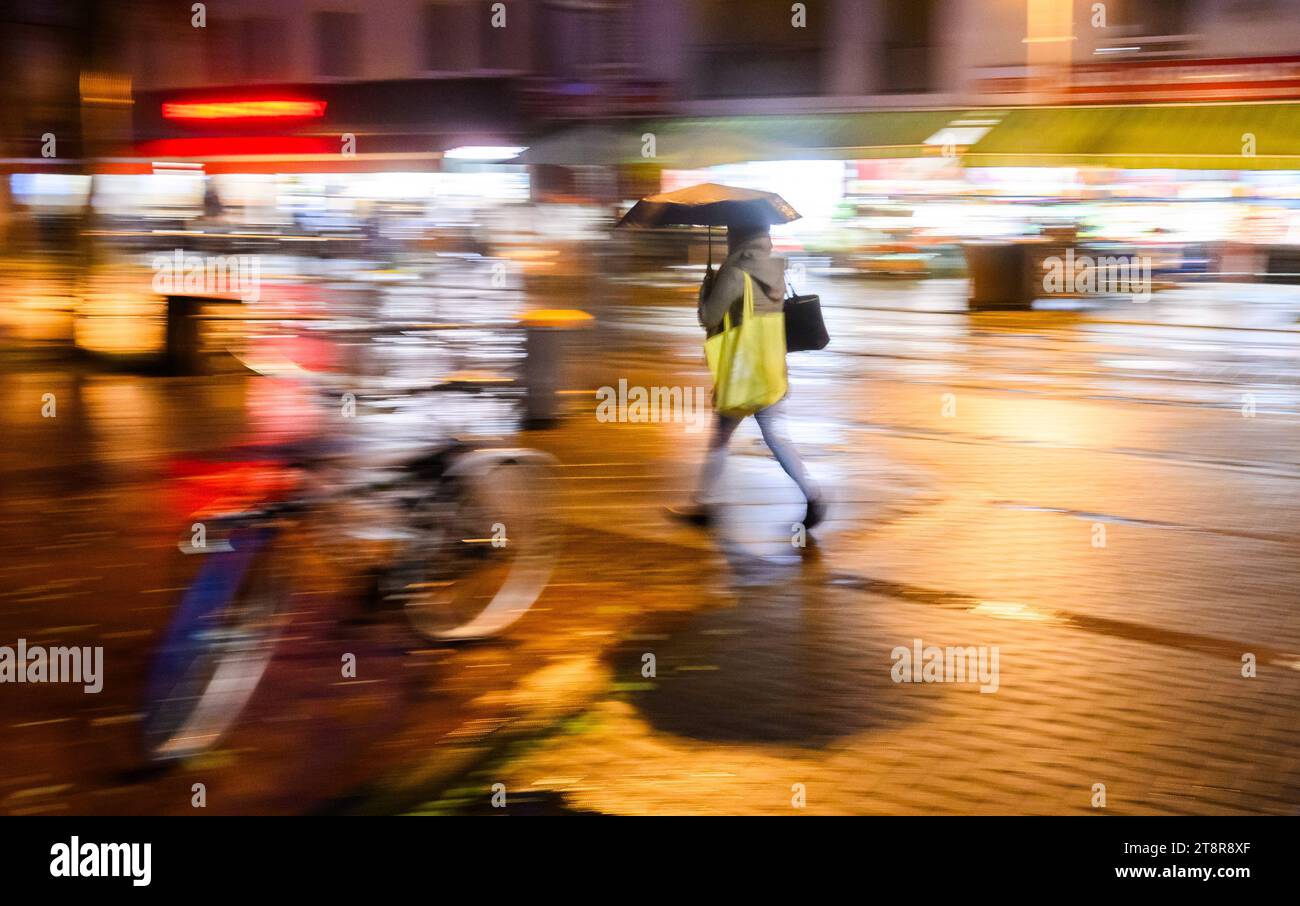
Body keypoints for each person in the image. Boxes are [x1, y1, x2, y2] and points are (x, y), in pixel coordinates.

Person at [674, 218, 825, 530]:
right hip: (771, 367)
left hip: (743, 372)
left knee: (722, 436)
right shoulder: (775, 267)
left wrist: (706, 289)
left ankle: (705, 504)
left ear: (736, 234)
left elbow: (709, 316)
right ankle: (812, 495)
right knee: (773, 435)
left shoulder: (734, 269)